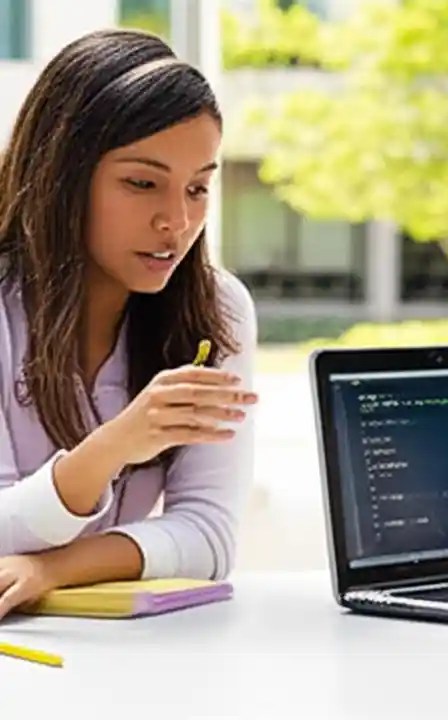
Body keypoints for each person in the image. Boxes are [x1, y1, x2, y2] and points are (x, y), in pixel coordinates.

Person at [0, 29, 259, 619]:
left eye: (198, 187)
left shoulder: (216, 311)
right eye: (142, 183)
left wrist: (51, 569)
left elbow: (210, 537)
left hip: (125, 655)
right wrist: (116, 445)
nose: (177, 220)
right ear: (63, 177)